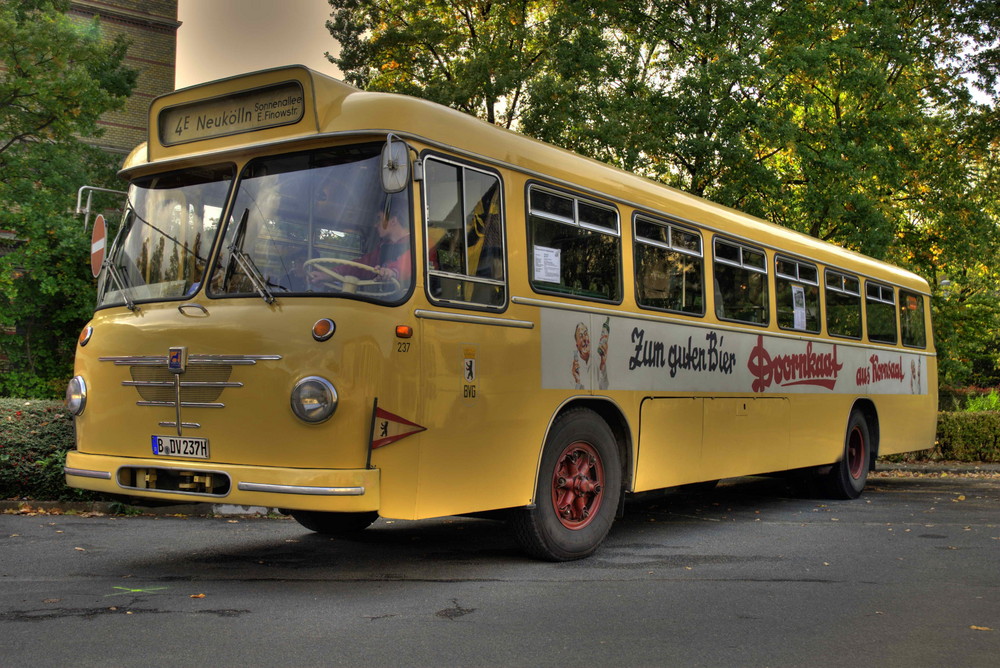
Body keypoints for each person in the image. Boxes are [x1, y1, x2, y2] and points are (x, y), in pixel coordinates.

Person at [571, 321, 609, 390]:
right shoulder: (574, 369)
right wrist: (577, 381)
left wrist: (603, 364)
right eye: (581, 336)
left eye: (586, 334)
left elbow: (605, 389)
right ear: (577, 345)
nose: (585, 339)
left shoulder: (598, 359)